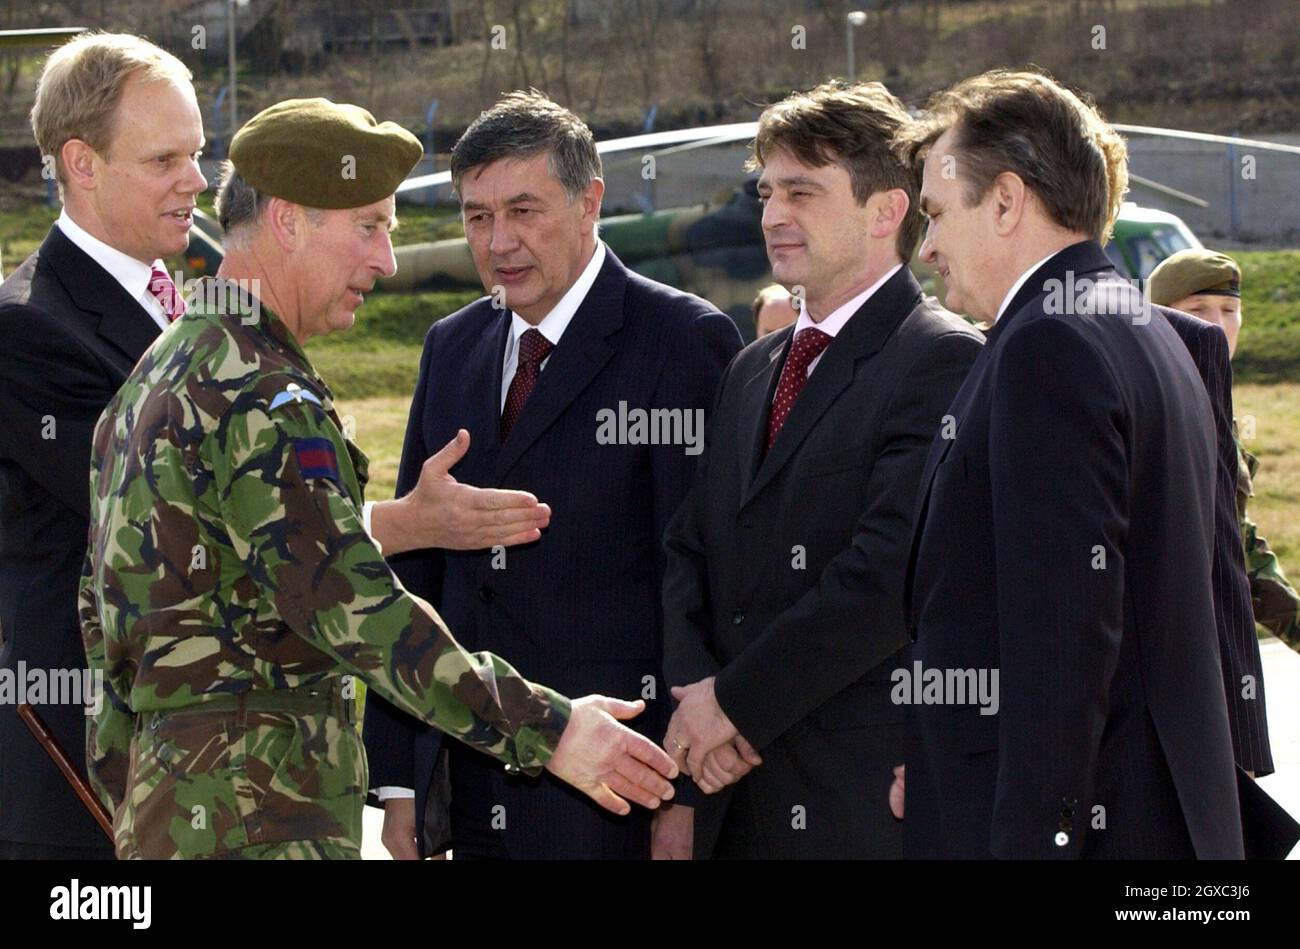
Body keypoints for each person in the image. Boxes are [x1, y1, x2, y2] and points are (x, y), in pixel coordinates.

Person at [79, 97, 678, 860]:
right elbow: (359, 611)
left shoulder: (157, 373)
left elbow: (100, 626)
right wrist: (551, 732)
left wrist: (147, 796)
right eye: (370, 226)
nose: (387, 261)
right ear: (290, 221)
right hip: (260, 819)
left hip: (174, 814)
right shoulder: (260, 394)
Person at [361, 91, 741, 860]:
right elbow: (414, 574)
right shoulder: (451, 346)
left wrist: (687, 795)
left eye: (524, 210)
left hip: (616, 793)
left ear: (589, 201)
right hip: (468, 779)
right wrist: (399, 783)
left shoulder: (682, 340)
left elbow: (700, 582)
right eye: (476, 217)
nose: (500, 241)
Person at [897, 69, 1243, 858]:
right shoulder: (1139, 327)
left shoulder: (1047, 345)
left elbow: (1061, 641)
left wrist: (1035, 839)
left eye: (938, 213)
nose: (928, 247)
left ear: (1008, 200)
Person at [659, 81, 982, 859]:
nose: (772, 214)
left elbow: (883, 577)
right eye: (767, 190)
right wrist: (698, 705)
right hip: (727, 798)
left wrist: (730, 708)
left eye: (802, 191)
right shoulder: (752, 364)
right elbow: (688, 550)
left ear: (885, 211)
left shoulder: (941, 358)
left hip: (855, 806)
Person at [0, 33, 204, 860]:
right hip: (78, 770)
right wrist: (391, 523)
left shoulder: (198, 281)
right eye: (165, 160)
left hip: (193, 760)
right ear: (81, 164)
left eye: (199, 152)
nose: (196, 179)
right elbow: (174, 514)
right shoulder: (25, 329)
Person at [1150, 249, 1299, 651]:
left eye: (1229, 310)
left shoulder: (1214, 401)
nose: (1216, 325)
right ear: (1162, 317)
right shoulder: (1157, 402)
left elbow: (1240, 545)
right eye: (1197, 309)